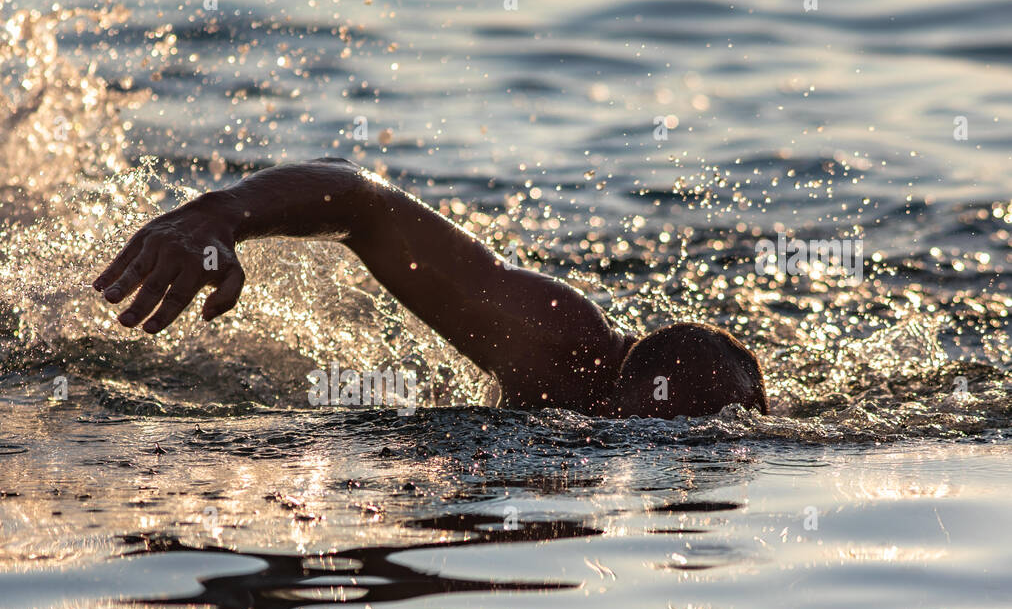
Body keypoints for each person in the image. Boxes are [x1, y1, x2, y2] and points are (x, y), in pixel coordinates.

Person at [92, 157, 768, 418]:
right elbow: (364, 205)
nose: (625, 448)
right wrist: (219, 213)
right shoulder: (557, 344)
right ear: (613, 392)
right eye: (639, 434)